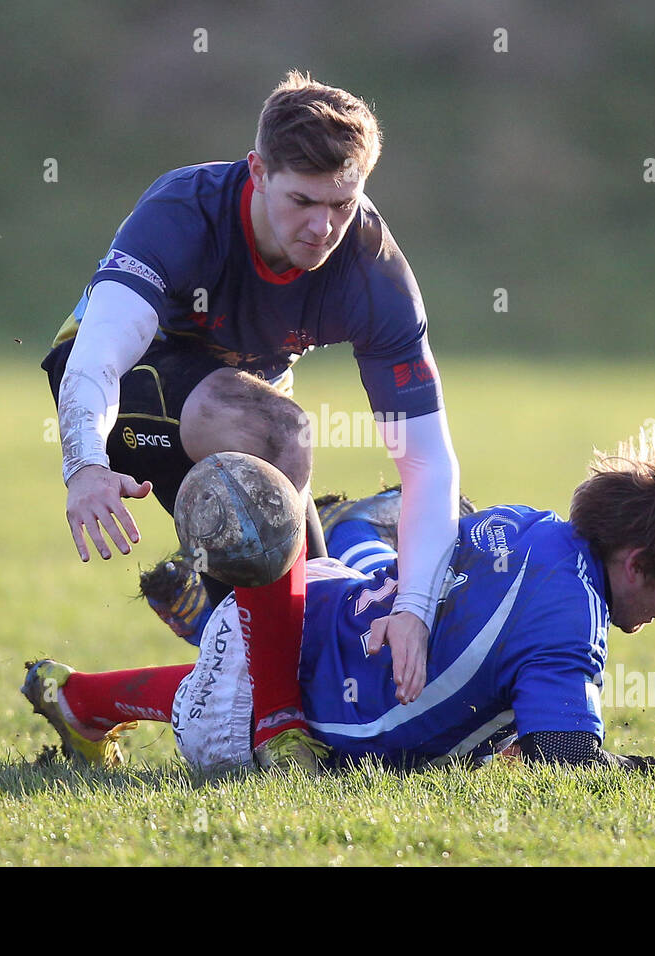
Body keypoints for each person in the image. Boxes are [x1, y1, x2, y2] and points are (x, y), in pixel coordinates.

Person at [40, 72, 461, 769]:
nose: (322, 227)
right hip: (125, 413)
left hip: (246, 432)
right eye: (301, 201)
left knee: (317, 633)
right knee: (280, 434)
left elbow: (429, 461)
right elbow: (96, 361)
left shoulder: (371, 269)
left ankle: (85, 696)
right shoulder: (185, 210)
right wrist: (85, 463)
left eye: (342, 204)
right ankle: (276, 726)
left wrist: (414, 607)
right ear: (258, 172)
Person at [21, 424, 655, 776]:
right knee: (226, 720)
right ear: (639, 561)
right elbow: (566, 762)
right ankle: (212, 616)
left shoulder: (528, 525)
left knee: (386, 559)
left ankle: (103, 681)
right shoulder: (569, 628)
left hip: (320, 603)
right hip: (270, 699)